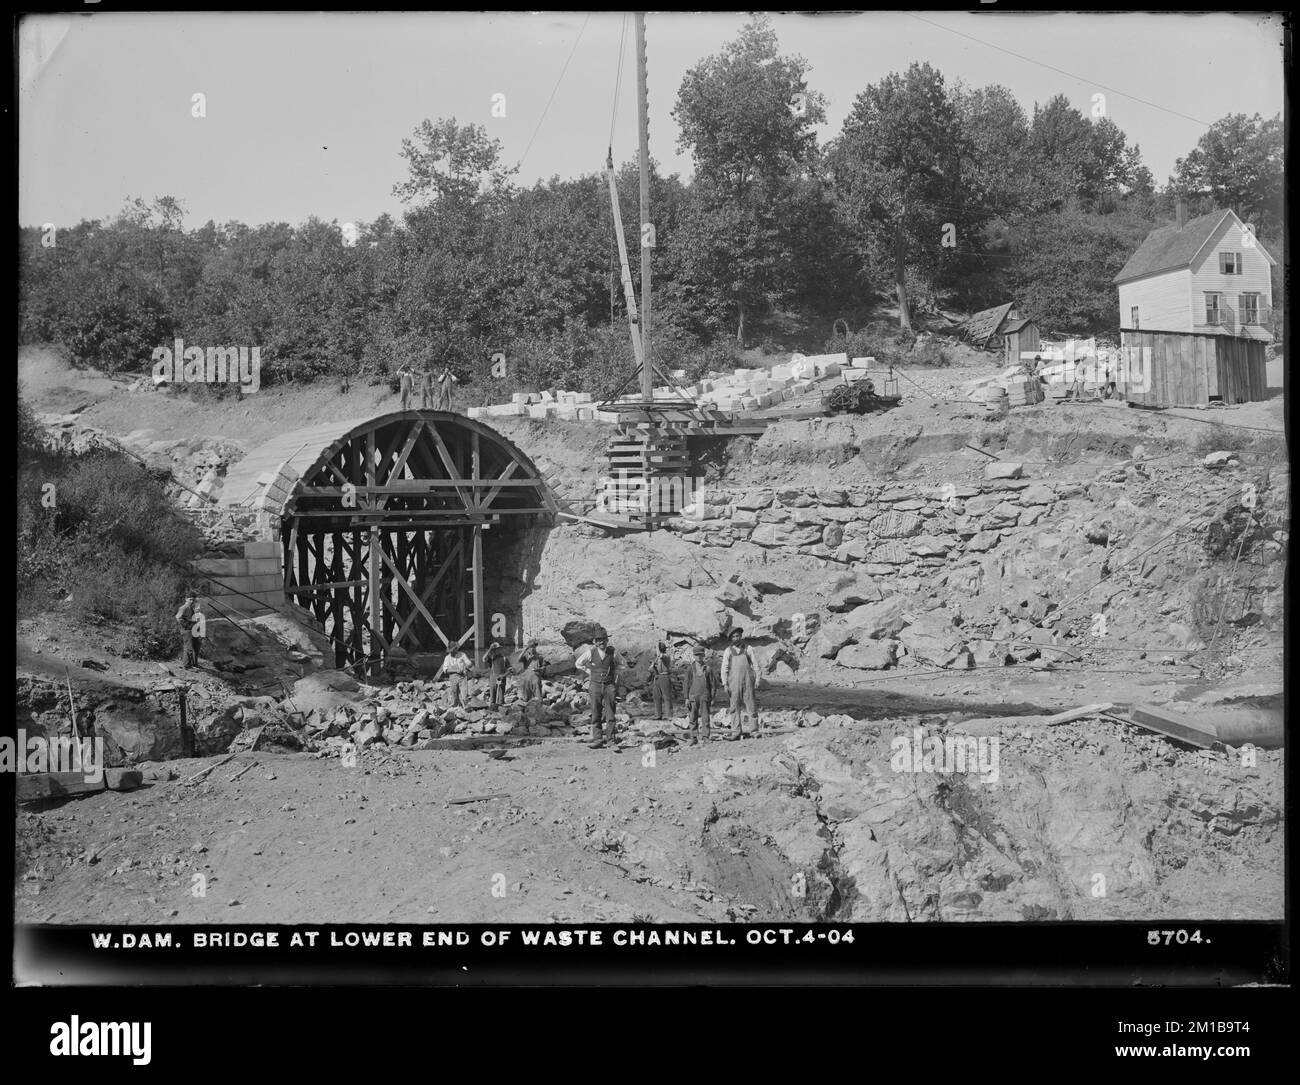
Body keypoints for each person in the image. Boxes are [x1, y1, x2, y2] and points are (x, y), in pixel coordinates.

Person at [574, 631, 620, 748]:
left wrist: (615, 673)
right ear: (595, 642)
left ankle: (611, 741)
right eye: (599, 640)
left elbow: (623, 664)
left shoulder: (613, 652)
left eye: (603, 639)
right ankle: (598, 740)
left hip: (609, 686)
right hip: (595, 685)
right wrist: (589, 671)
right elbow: (578, 663)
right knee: (595, 712)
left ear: (607, 640)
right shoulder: (591, 652)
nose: (601, 642)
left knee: (610, 713)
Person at [720, 627, 759, 740]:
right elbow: (724, 669)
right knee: (734, 708)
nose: (736, 638)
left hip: (747, 682)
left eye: (738, 636)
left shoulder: (748, 649)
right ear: (731, 638)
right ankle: (736, 732)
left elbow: (755, 665)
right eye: (733, 637)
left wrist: (757, 679)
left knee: (751, 706)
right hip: (733, 683)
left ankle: (754, 731)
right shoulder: (728, 651)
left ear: (741, 636)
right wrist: (725, 684)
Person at [683, 644, 716, 746]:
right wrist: (686, 698)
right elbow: (686, 684)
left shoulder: (708, 669)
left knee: (705, 718)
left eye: (700, 655)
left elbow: (713, 684)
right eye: (697, 655)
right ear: (694, 656)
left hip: (705, 696)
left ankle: (706, 736)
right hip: (693, 697)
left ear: (703, 655)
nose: (699, 657)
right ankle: (694, 737)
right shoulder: (690, 669)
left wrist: (713, 697)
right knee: (693, 718)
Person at [175, 595, 205, 668]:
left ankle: (192, 664)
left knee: (194, 647)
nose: (191, 601)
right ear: (186, 599)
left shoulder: (190, 608)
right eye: (190, 599)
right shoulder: (183, 608)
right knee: (188, 648)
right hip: (186, 630)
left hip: (192, 629)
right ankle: (186, 665)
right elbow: (178, 618)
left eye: (192, 600)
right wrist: (186, 625)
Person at [649, 640, 675, 720]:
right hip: (657, 677)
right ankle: (658, 715)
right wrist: (652, 667)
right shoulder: (656, 659)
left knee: (667, 696)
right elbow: (650, 669)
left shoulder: (666, 656)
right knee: (657, 697)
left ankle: (669, 715)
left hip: (664, 676)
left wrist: (657, 646)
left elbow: (660, 655)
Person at [483, 641, 509, 709]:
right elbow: (483, 659)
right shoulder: (491, 658)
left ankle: (500, 710)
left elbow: (510, 669)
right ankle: (492, 710)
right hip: (493, 678)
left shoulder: (504, 658)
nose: (497, 650)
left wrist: (503, 675)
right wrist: (490, 649)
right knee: (493, 697)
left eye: (498, 649)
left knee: (500, 698)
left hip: (502, 678)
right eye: (495, 649)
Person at [517, 639, 544, 706]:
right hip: (526, 676)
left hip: (535, 675)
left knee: (536, 685)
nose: (532, 649)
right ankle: (527, 702)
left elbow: (543, 668)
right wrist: (525, 649)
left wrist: (539, 669)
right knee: (525, 695)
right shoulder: (526, 656)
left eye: (533, 647)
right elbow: (518, 659)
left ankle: (539, 702)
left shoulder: (539, 657)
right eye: (531, 647)